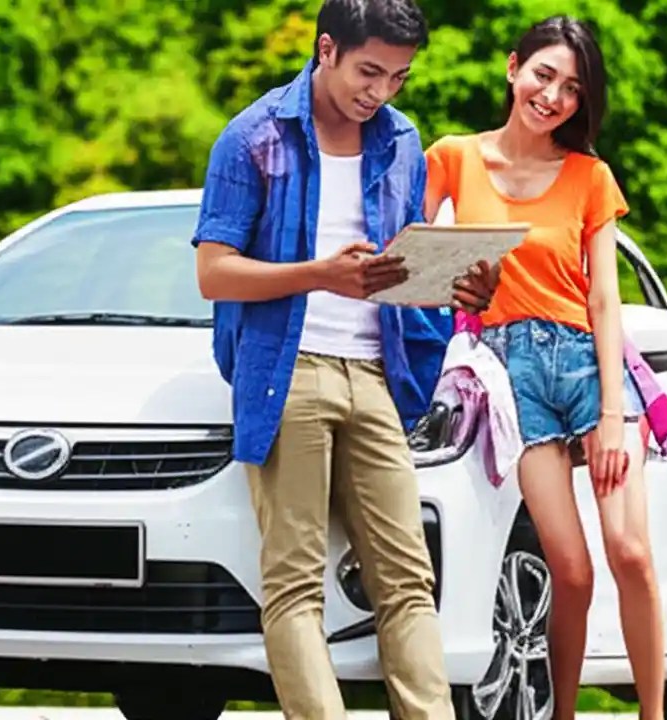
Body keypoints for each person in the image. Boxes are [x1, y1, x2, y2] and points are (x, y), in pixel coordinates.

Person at [192, 1, 496, 718]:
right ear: (326, 50)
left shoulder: (401, 140)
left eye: (398, 77)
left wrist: (462, 285)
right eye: (369, 71)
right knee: (295, 585)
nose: (381, 91)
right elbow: (214, 273)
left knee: (408, 580)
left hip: (376, 375)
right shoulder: (253, 137)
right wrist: (317, 274)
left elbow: (399, 267)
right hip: (287, 373)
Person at [423, 15, 666, 720]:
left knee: (629, 549)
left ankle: (653, 714)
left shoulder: (591, 176)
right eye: (543, 75)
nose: (553, 95)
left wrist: (616, 416)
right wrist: (451, 290)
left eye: (572, 87)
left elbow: (603, 295)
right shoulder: (453, 158)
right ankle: (561, 714)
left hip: (589, 367)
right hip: (510, 374)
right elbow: (407, 257)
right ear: (512, 69)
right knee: (571, 568)